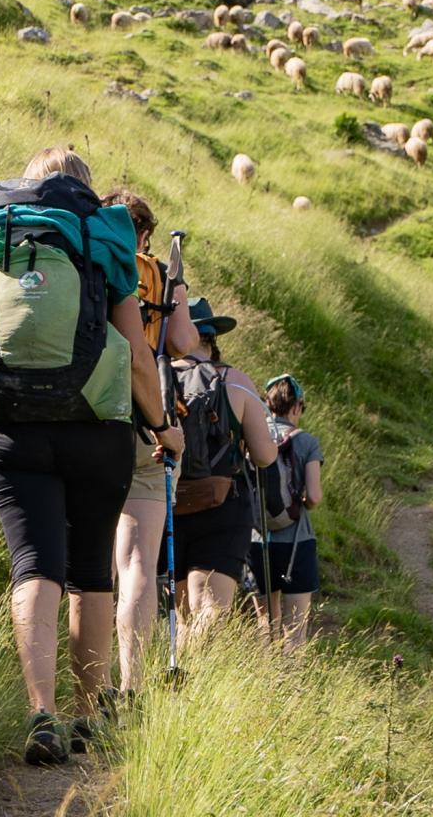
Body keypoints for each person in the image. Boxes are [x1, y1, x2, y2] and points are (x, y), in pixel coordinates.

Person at [0, 148, 183, 766]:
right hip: (95, 428)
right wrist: (164, 428)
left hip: (11, 431)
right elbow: (139, 356)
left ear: (24, 185)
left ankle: (41, 713)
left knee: (35, 565)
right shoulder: (100, 235)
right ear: (85, 189)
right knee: (90, 568)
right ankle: (89, 716)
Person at [99, 189, 198, 698]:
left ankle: (84, 689)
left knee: (89, 561)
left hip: (86, 418)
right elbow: (183, 345)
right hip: (149, 421)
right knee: (138, 561)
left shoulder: (86, 253)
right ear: (146, 233)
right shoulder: (160, 272)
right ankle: (131, 684)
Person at [169, 296, 277, 644]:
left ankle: (179, 680)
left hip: (167, 504)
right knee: (211, 607)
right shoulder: (235, 381)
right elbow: (263, 456)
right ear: (212, 339)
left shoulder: (157, 377)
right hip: (222, 503)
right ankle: (197, 679)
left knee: (183, 612)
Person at [249, 374, 324, 653]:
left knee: (266, 623)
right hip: (297, 543)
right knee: (295, 629)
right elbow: (314, 496)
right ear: (296, 407)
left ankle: (266, 684)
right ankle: (291, 687)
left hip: (257, 541)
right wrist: (302, 502)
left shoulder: (253, 436)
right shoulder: (307, 442)